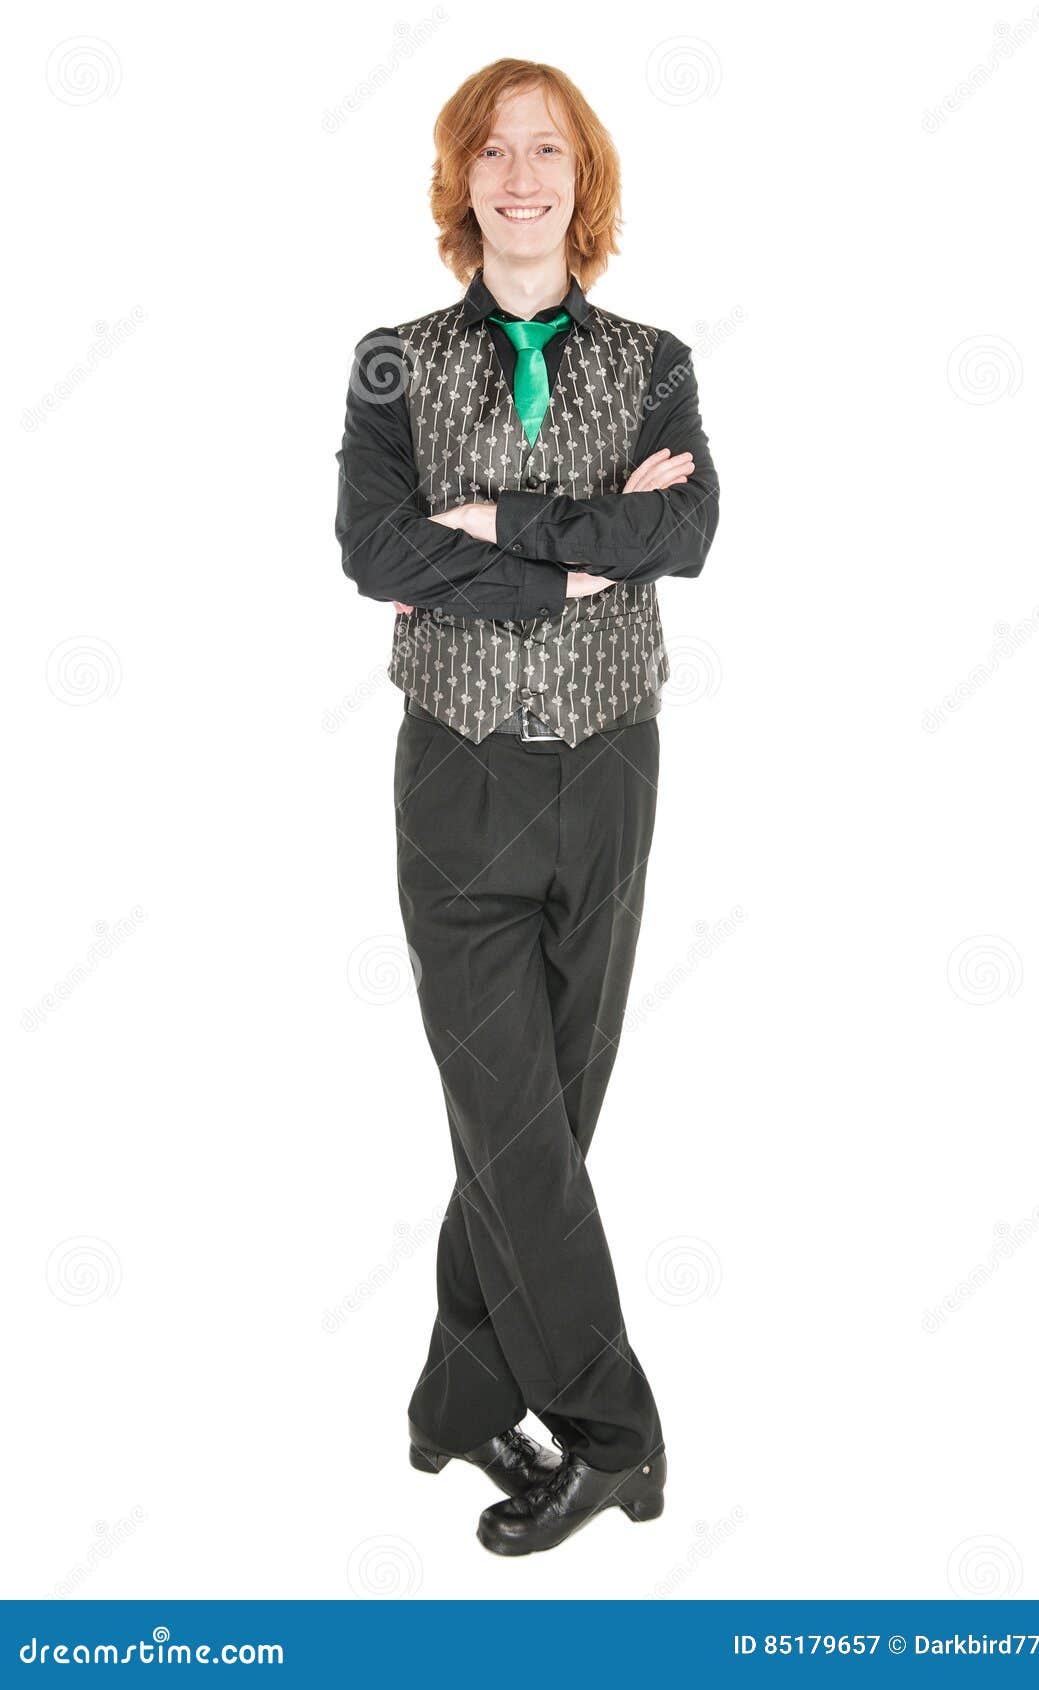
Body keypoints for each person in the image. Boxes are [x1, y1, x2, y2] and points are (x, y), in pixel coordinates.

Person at [334, 57, 719, 1556]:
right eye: (490, 151)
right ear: (461, 181)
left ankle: (455, 1392)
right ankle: (615, 1436)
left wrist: (498, 526)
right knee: (508, 1119)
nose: (517, 175)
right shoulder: (389, 361)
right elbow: (373, 548)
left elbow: (683, 527)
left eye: (543, 149)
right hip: (459, 775)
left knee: (545, 1115)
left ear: (582, 175)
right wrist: (578, 561)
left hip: (612, 765)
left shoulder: (658, 356)